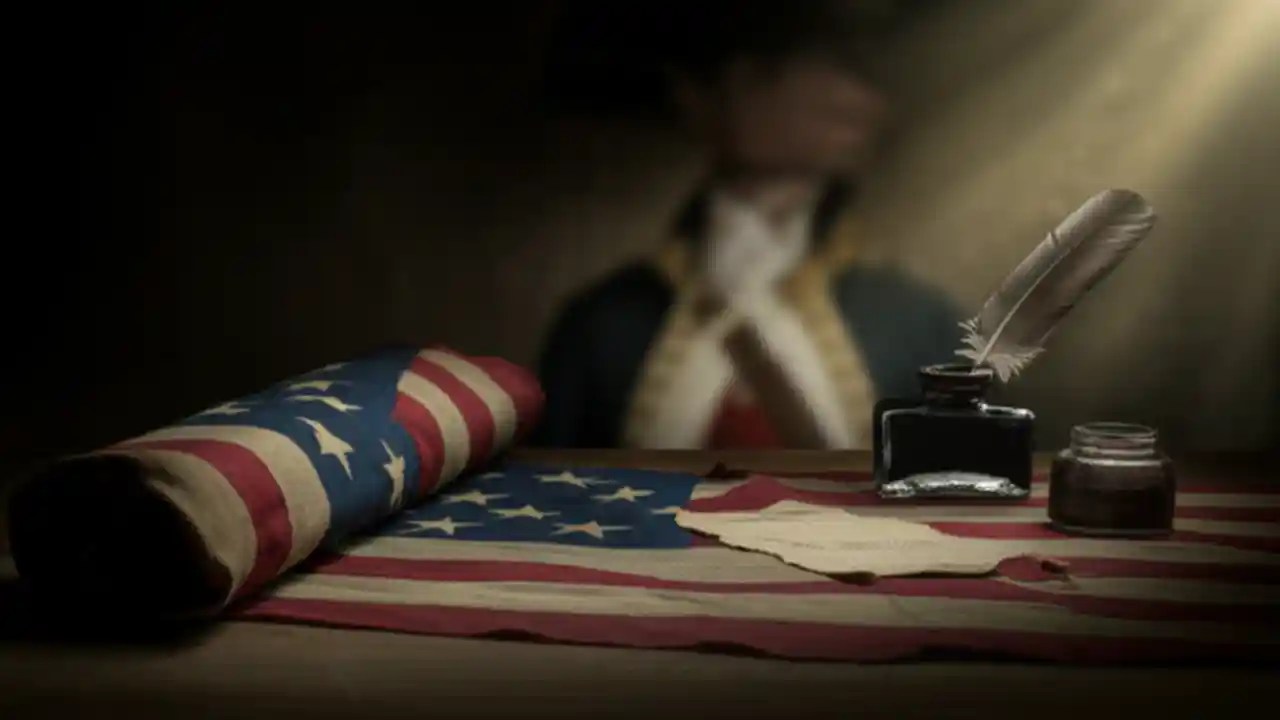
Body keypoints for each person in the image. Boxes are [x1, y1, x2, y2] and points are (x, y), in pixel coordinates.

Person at [534, 2, 962, 449]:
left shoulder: (921, 325)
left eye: (850, 68)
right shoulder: (600, 328)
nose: (841, 95)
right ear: (696, 95)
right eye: (777, 67)